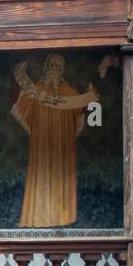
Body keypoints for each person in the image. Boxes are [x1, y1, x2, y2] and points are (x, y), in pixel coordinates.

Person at [11, 54, 95, 228]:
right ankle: (36, 219)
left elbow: (80, 121)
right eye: (51, 64)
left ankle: (63, 218)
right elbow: (18, 111)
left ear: (62, 70)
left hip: (63, 145)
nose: (54, 68)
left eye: (58, 65)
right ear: (46, 66)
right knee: (39, 175)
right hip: (41, 144)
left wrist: (68, 139)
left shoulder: (71, 92)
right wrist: (32, 131)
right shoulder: (35, 90)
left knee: (61, 176)